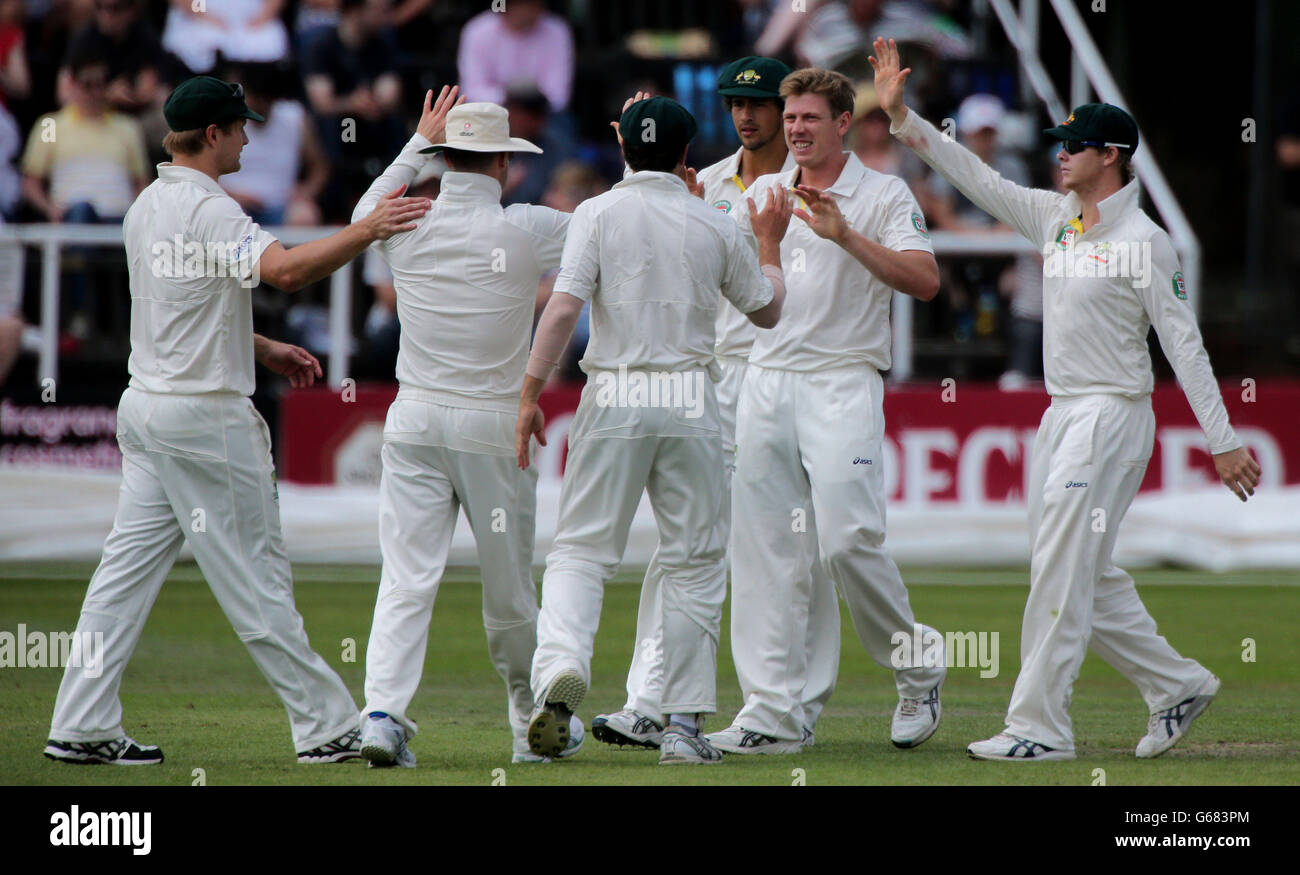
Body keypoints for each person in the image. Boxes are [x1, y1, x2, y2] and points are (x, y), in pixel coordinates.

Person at [874, 37, 1261, 760]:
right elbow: (978, 179)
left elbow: (1184, 344)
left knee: (1061, 565)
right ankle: (1175, 684)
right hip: (1063, 413)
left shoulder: (1146, 242)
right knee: (1076, 566)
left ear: (1110, 155)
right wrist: (905, 122)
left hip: (1112, 414)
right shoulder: (1058, 219)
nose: (1061, 155)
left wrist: (1223, 437)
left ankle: (1040, 726)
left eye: (1074, 147)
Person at [43, 75, 430, 766]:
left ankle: (81, 723)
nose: (250, 135)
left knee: (120, 580)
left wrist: (262, 347)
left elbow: (175, 313)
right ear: (214, 133)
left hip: (148, 408)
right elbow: (284, 272)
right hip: (205, 417)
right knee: (258, 578)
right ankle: (326, 726)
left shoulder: (145, 205)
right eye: (240, 126)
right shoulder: (211, 209)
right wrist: (367, 230)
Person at [518, 95, 792, 765]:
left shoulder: (596, 212)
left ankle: (560, 663)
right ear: (684, 156)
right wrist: (769, 244)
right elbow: (766, 312)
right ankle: (683, 726)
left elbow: (561, 310)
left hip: (615, 391)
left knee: (582, 548)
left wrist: (529, 392)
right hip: (691, 397)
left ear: (623, 151)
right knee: (696, 562)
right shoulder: (713, 221)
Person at [590, 57, 840, 753]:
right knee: (684, 548)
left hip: (789, 379)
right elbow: (633, 233)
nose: (748, 115)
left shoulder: (814, 183)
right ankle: (650, 700)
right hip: (709, 380)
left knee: (794, 547)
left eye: (761, 103)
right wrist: (636, 155)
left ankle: (793, 704)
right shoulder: (703, 184)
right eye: (736, 102)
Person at [708, 66, 947, 755]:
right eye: (790, 119)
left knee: (846, 540)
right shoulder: (765, 193)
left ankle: (917, 665)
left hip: (843, 380)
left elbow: (925, 281)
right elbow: (742, 288)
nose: (795, 129)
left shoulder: (881, 191)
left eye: (809, 118)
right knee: (763, 554)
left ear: (843, 122)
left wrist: (845, 235)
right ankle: (773, 712)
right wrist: (764, 240)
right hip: (766, 377)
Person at [350, 91, 581, 767]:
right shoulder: (529, 227)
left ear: (444, 157)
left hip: (414, 418)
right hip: (493, 424)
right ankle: (526, 717)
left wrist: (412, 146)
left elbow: (364, 213)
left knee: (406, 576)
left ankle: (383, 714)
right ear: (504, 164)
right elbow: (612, 230)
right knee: (508, 587)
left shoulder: (401, 220)